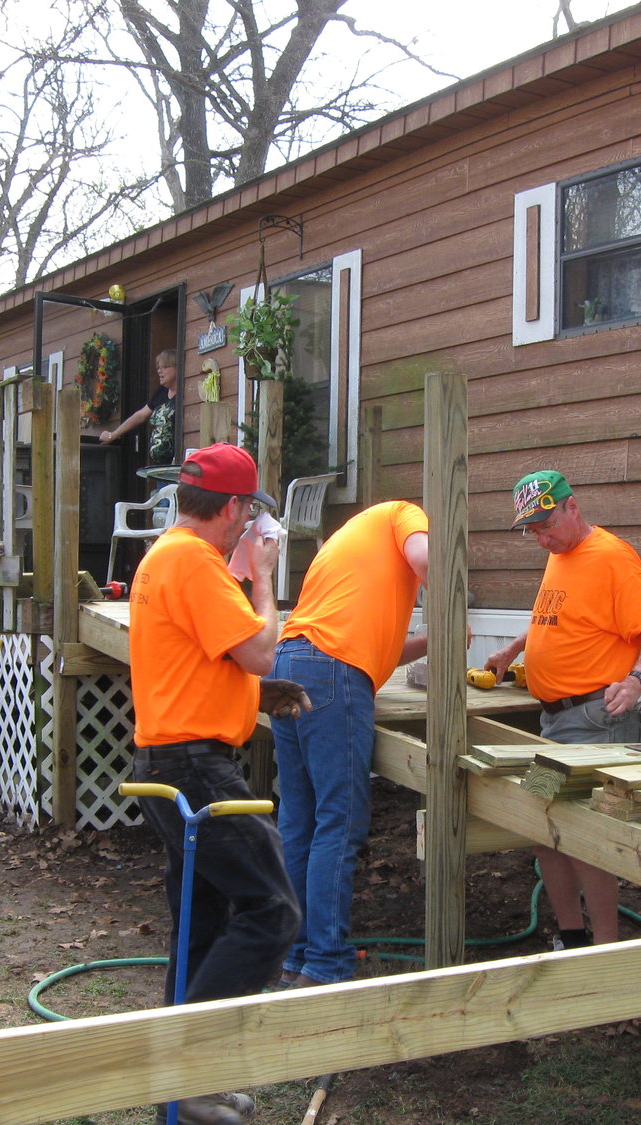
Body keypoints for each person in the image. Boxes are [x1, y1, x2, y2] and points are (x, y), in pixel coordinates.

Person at [127, 442, 305, 1125]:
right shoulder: (195, 563)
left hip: (173, 758)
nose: (245, 529)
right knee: (272, 910)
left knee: (203, 919)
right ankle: (189, 1075)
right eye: (245, 516)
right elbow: (259, 647)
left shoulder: (167, 557)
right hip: (196, 766)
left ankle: (185, 1079)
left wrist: (256, 696)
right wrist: (262, 576)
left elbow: (202, 662)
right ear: (231, 508)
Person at [485, 470, 641, 948]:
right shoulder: (560, 554)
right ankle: (571, 935)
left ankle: (604, 947)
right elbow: (559, 619)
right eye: (532, 530)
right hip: (553, 722)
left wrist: (637, 679)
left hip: (595, 723)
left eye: (546, 524)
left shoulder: (611, 557)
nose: (542, 537)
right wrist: (512, 650)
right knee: (541, 826)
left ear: (573, 507)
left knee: (587, 838)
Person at [269, 501, 430, 988]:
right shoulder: (406, 512)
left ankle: (295, 955)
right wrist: (455, 599)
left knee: (299, 819)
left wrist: (432, 638)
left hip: (288, 661)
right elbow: (428, 560)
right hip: (331, 670)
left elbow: (375, 645)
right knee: (338, 820)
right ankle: (326, 962)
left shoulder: (352, 543)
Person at [98, 348, 179, 467]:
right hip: (158, 467)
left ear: (177, 368)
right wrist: (114, 434)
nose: (159, 371)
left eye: (165, 367)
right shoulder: (161, 392)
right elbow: (140, 416)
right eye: (158, 368)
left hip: (173, 468)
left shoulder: (184, 395)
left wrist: (177, 458)